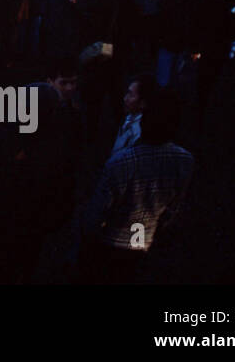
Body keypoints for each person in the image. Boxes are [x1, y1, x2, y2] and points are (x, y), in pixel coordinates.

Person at [79, 89, 194, 284]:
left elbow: (101, 208)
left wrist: (90, 233)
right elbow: (175, 205)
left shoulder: (122, 161)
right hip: (143, 238)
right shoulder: (184, 160)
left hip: (112, 238)